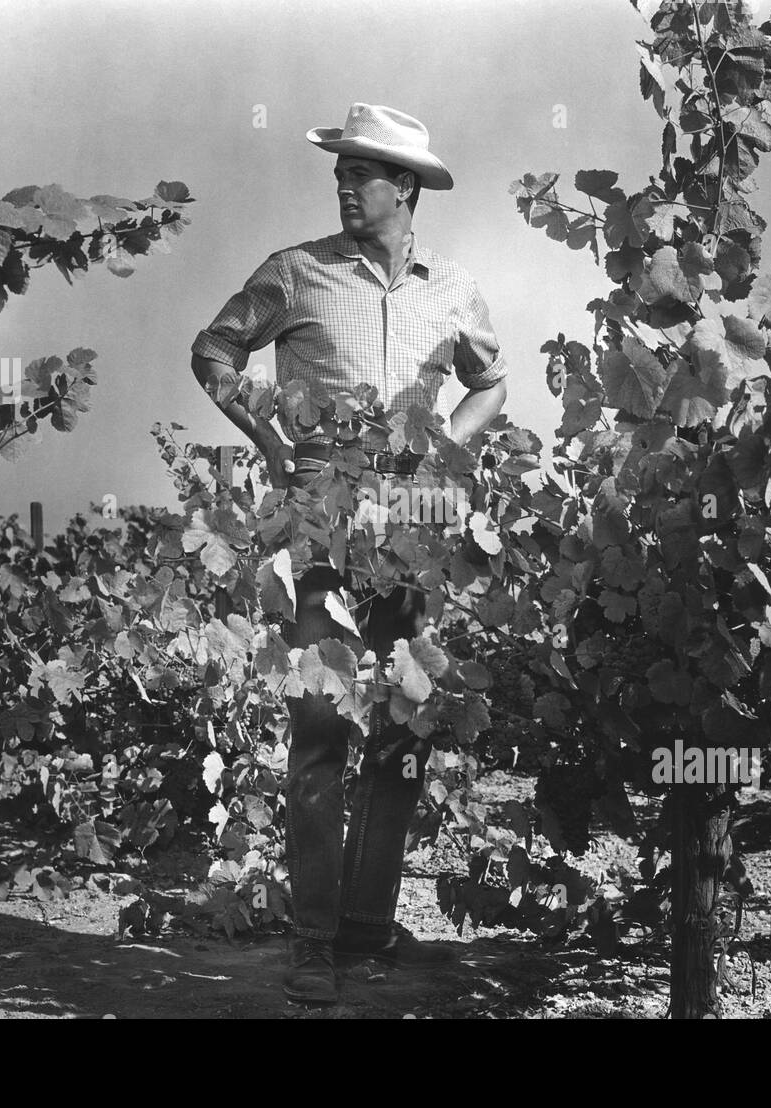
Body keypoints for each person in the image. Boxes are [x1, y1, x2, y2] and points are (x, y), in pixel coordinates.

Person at [190, 102, 508, 1003]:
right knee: (321, 729)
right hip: (319, 528)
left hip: (412, 535)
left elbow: (492, 381)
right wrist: (268, 438)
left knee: (404, 726)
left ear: (403, 187)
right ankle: (313, 942)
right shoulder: (294, 274)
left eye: (358, 172)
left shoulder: (454, 287)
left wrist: (447, 448)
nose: (342, 185)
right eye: (338, 171)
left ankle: (369, 926)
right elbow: (212, 350)